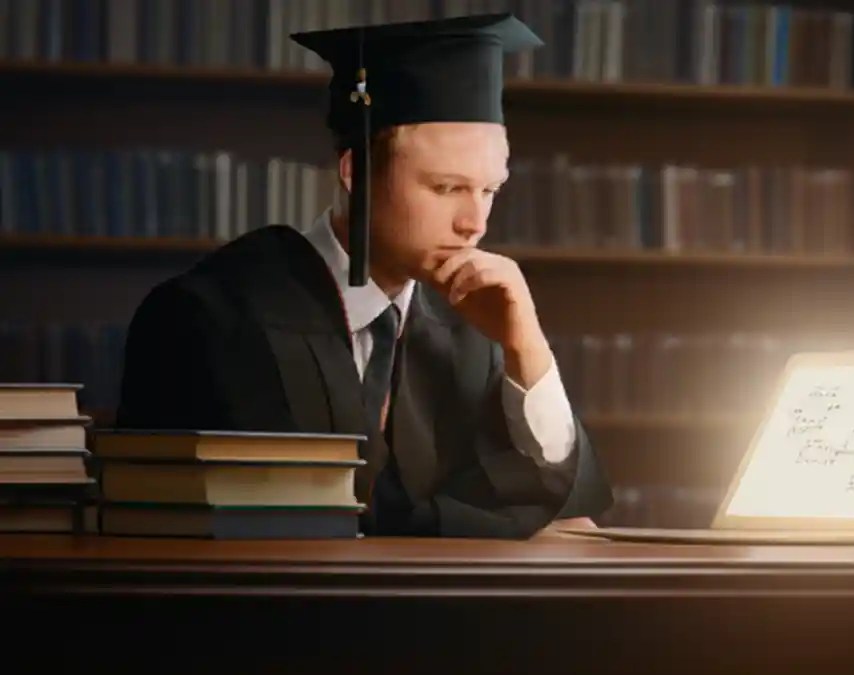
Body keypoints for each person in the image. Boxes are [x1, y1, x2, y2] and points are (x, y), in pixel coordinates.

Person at [114, 13, 612, 538]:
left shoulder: (473, 325)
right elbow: (326, 523)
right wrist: (504, 525)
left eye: (489, 190)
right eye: (447, 188)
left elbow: (567, 502)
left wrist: (527, 348)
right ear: (356, 172)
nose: (475, 223)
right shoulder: (218, 316)